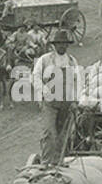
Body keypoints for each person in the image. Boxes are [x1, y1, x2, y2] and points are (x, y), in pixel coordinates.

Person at [32, 30, 79, 165]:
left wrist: (75, 100)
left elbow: (77, 81)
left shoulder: (71, 61)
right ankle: (46, 163)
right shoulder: (45, 60)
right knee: (49, 133)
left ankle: (59, 163)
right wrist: (44, 90)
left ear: (67, 45)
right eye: (59, 44)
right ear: (54, 45)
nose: (62, 46)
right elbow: (35, 77)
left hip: (66, 104)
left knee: (62, 135)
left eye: (64, 44)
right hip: (50, 104)